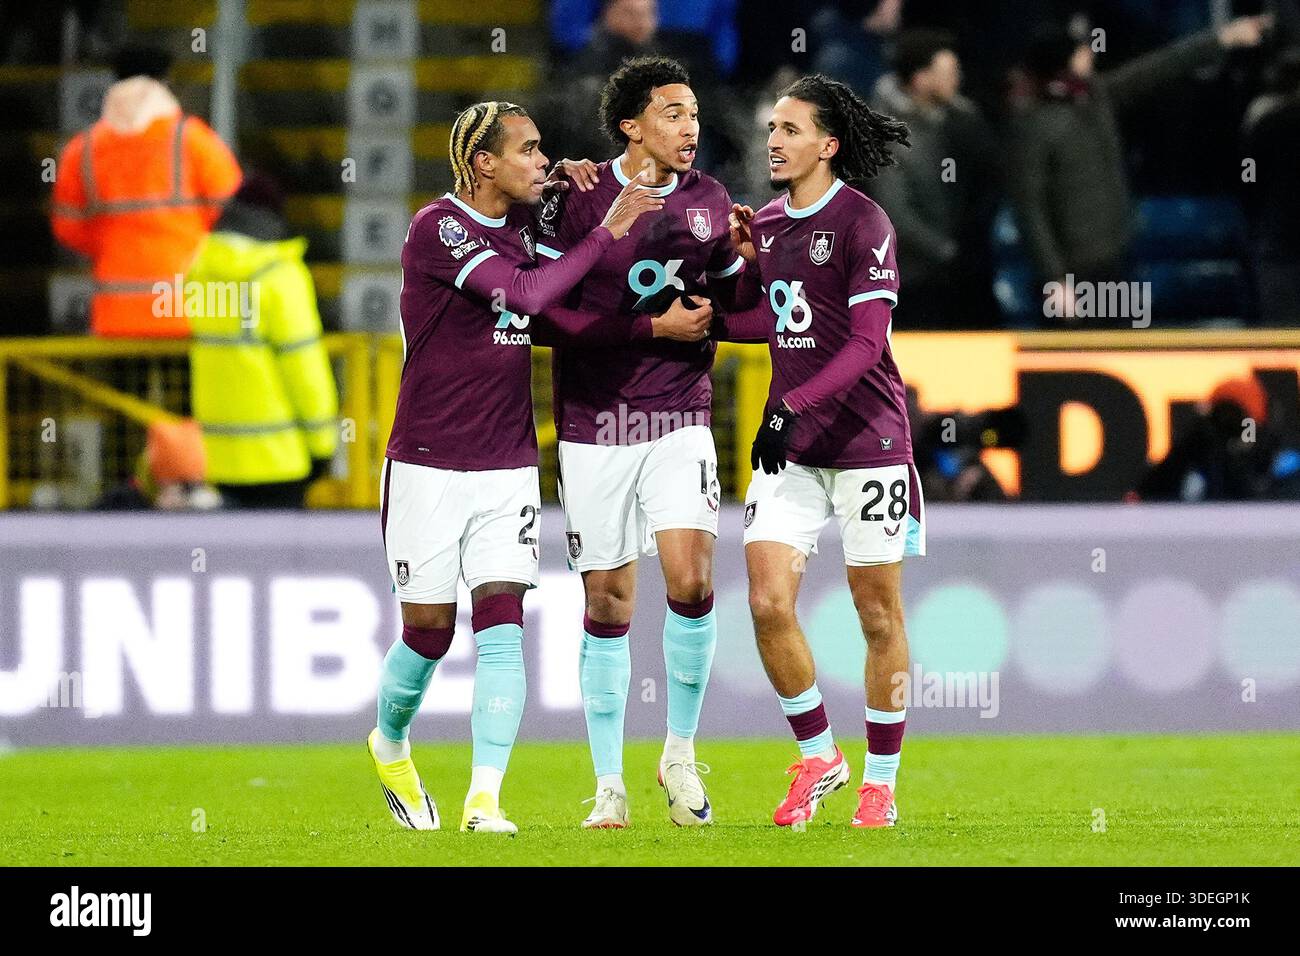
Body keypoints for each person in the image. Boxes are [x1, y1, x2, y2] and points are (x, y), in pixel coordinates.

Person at [369, 100, 710, 835]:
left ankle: (484, 799)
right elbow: (522, 295)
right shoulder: (441, 227)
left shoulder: (531, 224)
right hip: (428, 461)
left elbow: (562, 317)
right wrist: (606, 227)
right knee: (428, 632)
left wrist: (585, 206)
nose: (541, 160)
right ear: (484, 163)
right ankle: (391, 741)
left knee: (502, 624)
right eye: (526, 151)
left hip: (508, 463)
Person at [535, 56, 752, 829]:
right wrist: (648, 326)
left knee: (692, 581)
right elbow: (544, 316)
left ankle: (681, 753)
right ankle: (608, 783)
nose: (690, 127)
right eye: (671, 112)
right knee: (608, 599)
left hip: (679, 415)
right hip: (594, 424)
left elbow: (736, 304)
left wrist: (751, 271)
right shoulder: (578, 197)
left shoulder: (710, 200)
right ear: (630, 126)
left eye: (694, 112)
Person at [716, 74, 922, 828]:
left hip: (870, 442)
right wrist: (741, 264)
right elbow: (755, 323)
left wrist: (792, 405)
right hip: (794, 450)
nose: (774, 140)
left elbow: (868, 345)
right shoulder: (768, 224)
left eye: (791, 129)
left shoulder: (865, 224)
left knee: (876, 614)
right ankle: (818, 757)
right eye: (772, 127)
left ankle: (882, 782)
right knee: (769, 601)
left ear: (828, 145)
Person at [1010, 16, 1269, 323]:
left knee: (1122, 348)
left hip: (1117, 258)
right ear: (1061, 60)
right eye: (1081, 50)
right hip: (1073, 273)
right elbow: (1030, 208)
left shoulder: (1096, 97)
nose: (1090, 54)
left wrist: (1221, 40)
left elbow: (1159, 68)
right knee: (1076, 362)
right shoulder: (1032, 125)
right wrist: (1055, 279)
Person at [50, 44, 241, 337]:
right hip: (185, 312)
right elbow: (234, 215)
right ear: (164, 83)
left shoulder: (83, 149)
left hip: (117, 315)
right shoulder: (193, 140)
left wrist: (112, 244)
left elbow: (67, 227)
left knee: (118, 385)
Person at [186, 173, 339, 509]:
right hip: (280, 458)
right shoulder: (280, 276)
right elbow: (304, 368)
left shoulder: (200, 270)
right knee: (278, 560)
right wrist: (323, 444)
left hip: (216, 456)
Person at [869, 29, 999, 328]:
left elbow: (985, 182)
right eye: (948, 72)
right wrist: (947, 251)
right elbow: (895, 212)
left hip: (963, 275)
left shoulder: (963, 121)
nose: (957, 78)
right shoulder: (885, 136)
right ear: (920, 79)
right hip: (915, 281)